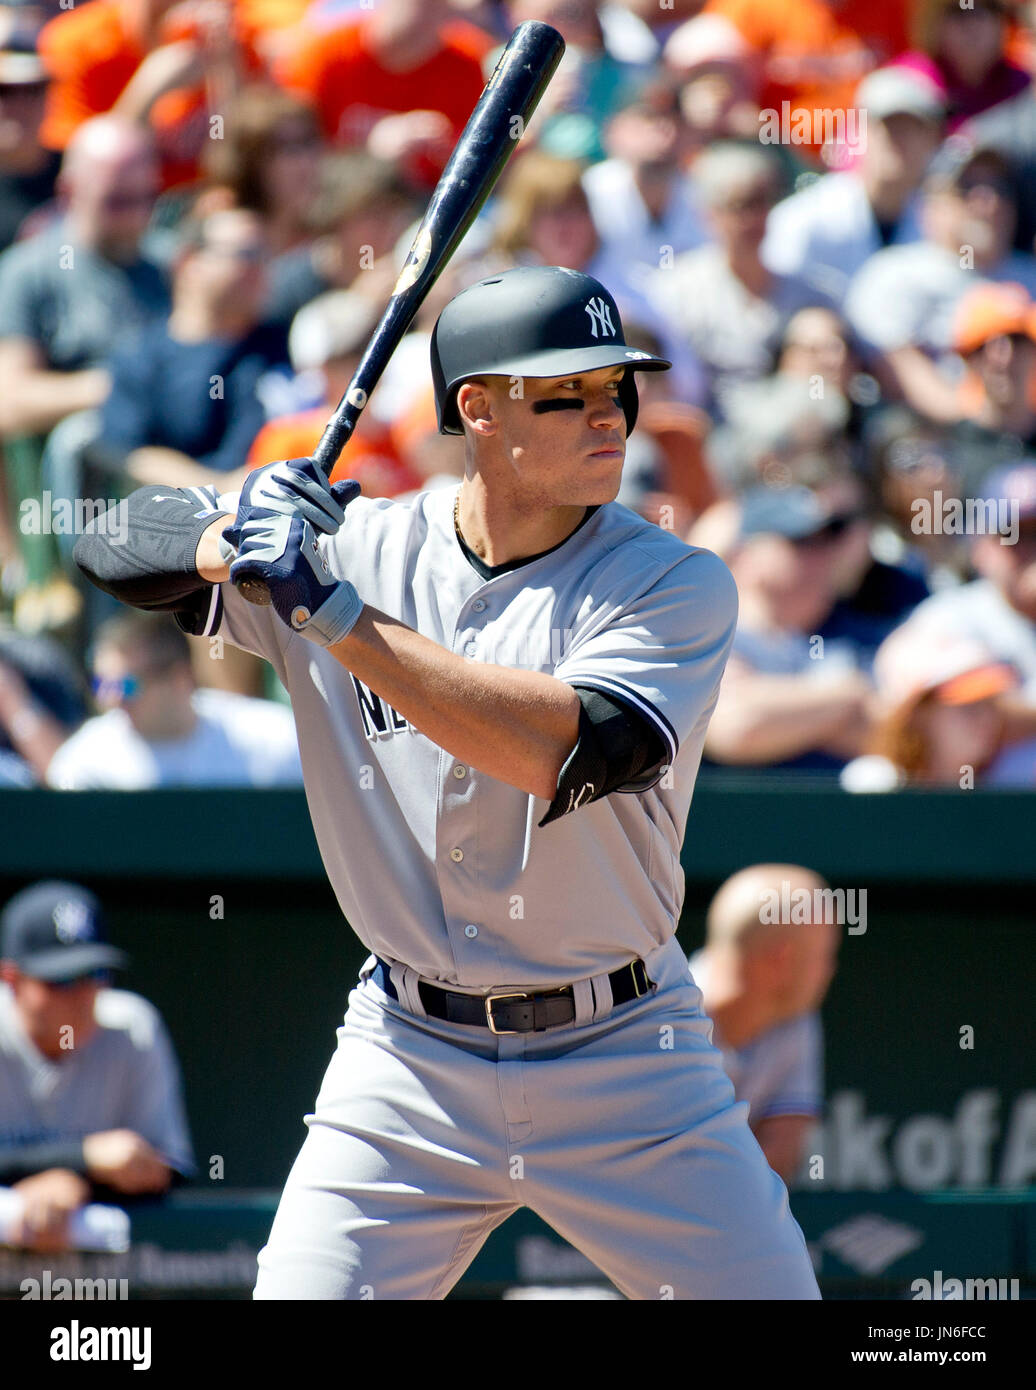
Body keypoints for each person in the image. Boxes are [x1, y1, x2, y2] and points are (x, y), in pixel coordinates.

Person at [73, 264, 820, 1300]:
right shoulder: (359, 542)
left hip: (625, 1056)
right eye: (569, 395)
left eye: (618, 390)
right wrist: (229, 541)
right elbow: (101, 538)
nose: (609, 419)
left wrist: (327, 611)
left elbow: (562, 746)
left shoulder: (672, 578)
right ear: (477, 408)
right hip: (408, 1053)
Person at [0, 880, 195, 1253]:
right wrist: (84, 1159)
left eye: (95, 974)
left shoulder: (132, 1029)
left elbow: (163, 1171)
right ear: (12, 981)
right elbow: (98, 1160)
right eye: (61, 979)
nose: (84, 996)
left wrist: (75, 1183)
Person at [92, 208, 289, 493]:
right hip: (191, 521)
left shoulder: (286, 341)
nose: (261, 268)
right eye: (245, 255)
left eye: (266, 255)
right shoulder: (142, 357)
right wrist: (223, 489)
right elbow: (129, 455)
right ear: (189, 262)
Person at [647, 141, 833, 420]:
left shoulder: (806, 292)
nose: (751, 218)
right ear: (709, 213)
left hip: (793, 432)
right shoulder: (677, 291)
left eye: (759, 202)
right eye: (738, 206)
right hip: (711, 434)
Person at [689, 864, 838, 1185]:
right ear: (781, 959)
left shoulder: (799, 1022)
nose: (829, 970)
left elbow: (781, 1156)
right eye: (823, 957)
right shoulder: (666, 1020)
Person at [46, 610, 303, 789]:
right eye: (102, 685)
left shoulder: (272, 738)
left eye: (127, 685)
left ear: (180, 679)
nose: (112, 699)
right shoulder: (85, 762)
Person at [762, 65, 945, 304]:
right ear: (860, 132)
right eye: (889, 128)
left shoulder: (939, 224)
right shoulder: (805, 217)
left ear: (932, 139)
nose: (899, 142)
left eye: (912, 130)